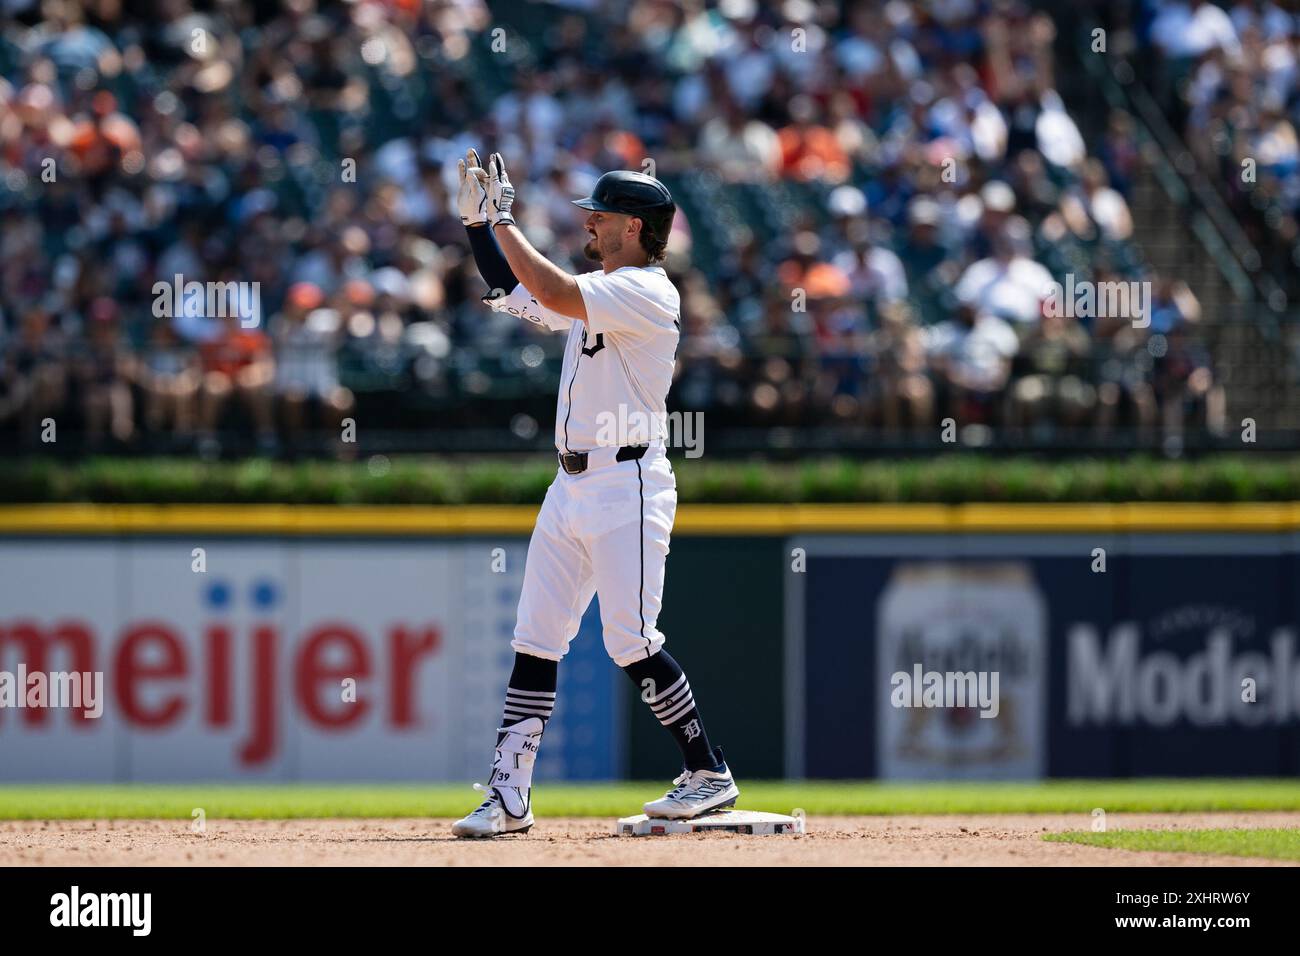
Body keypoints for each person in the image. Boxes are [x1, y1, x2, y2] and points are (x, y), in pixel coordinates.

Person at [450, 150, 738, 837]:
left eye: (601, 214)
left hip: (628, 481)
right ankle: (509, 795)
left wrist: (503, 219)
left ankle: (709, 772)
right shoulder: (600, 289)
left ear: (634, 228)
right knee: (535, 639)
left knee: (630, 640)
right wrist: (475, 229)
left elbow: (547, 291)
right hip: (572, 483)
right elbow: (511, 294)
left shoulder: (646, 291)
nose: (590, 222)